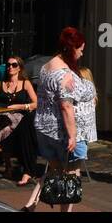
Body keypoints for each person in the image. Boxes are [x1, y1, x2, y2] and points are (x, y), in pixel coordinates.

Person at [24, 28, 94, 212]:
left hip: (46, 129)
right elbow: (66, 105)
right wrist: (72, 135)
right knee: (71, 175)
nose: (82, 52)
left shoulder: (47, 66)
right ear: (72, 48)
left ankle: (32, 204)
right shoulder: (64, 73)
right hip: (64, 131)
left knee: (55, 171)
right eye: (80, 49)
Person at [0, 56, 38, 185]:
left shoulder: (25, 83)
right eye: (8, 65)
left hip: (20, 117)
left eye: (14, 65)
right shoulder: (1, 84)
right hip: (3, 116)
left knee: (4, 123)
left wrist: (20, 106)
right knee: (2, 123)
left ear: (19, 68)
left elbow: (36, 103)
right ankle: (6, 164)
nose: (10, 67)